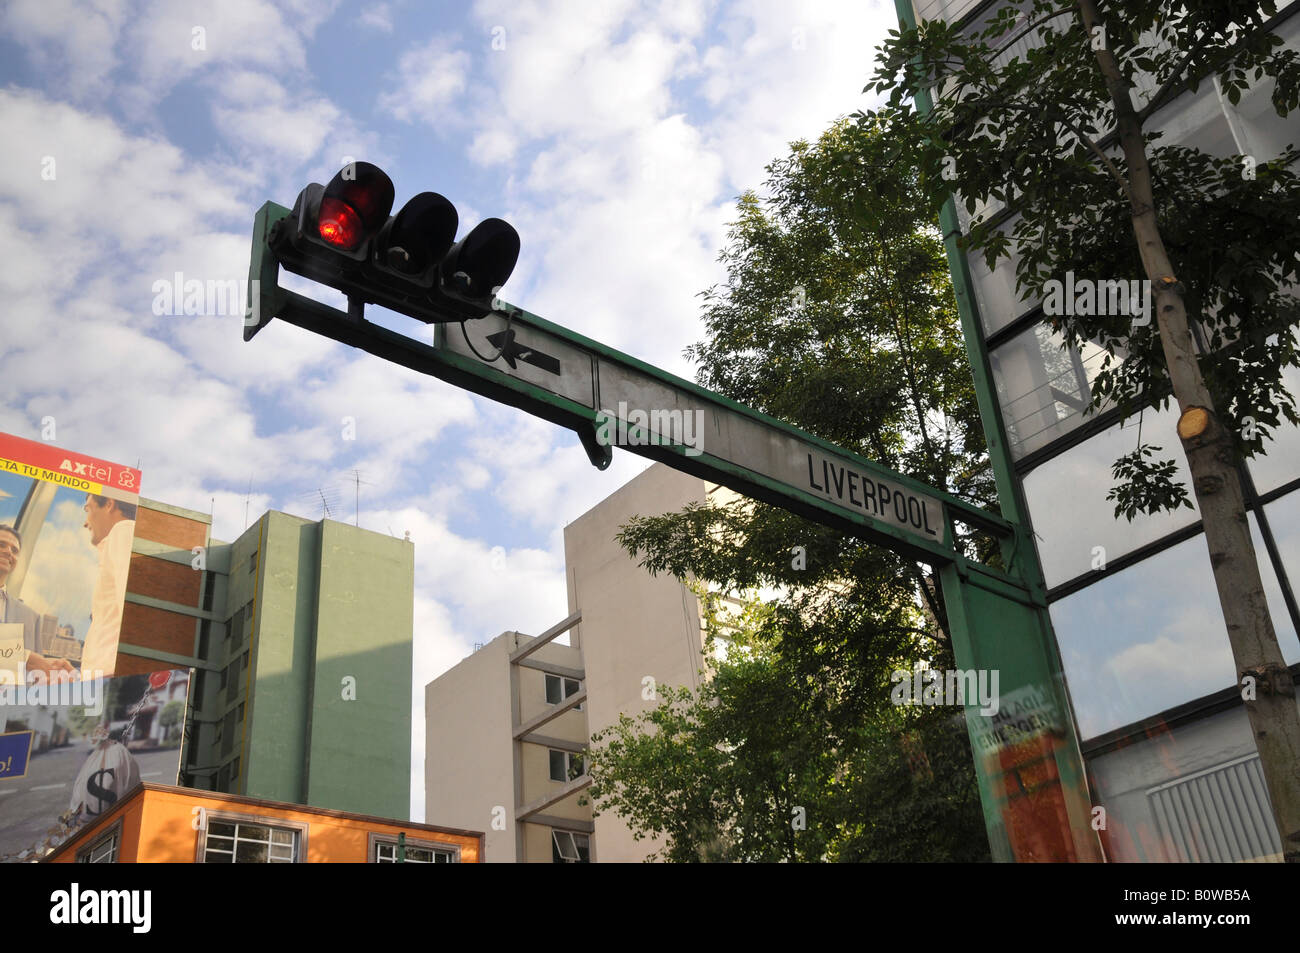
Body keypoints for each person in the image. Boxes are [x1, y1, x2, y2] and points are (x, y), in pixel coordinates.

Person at [0, 523, 75, 679]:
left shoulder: (30, 617)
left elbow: (32, 674)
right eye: (1, 544)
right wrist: (26, 658)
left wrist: (48, 667)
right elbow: (28, 660)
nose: (8, 551)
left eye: (14, 550)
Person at [80, 496, 136, 678]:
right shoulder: (118, 540)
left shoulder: (124, 531)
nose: (85, 522)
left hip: (111, 678)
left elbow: (130, 608)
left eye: (88, 509)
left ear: (110, 504)